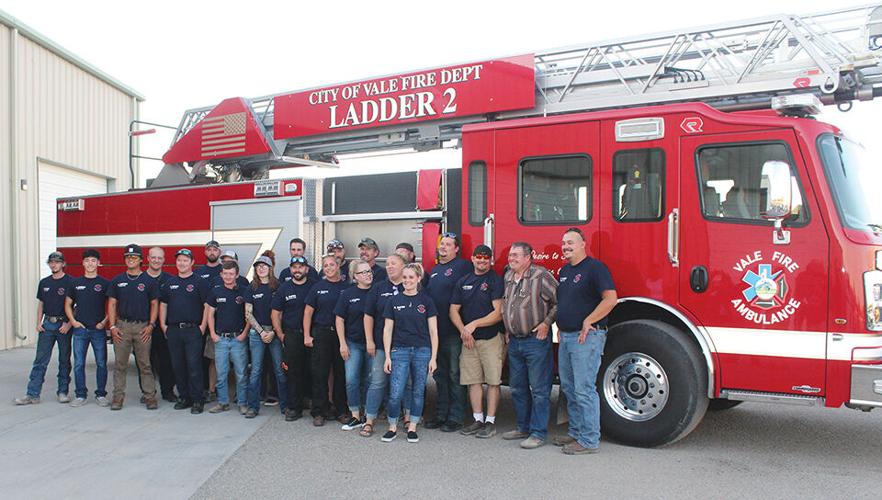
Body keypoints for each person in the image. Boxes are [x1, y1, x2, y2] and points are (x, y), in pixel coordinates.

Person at [555, 228, 617, 455]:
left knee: (584, 389)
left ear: (583, 244)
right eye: (563, 243)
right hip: (567, 337)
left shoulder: (595, 268)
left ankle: (589, 440)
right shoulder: (564, 271)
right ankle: (575, 432)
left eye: (571, 242)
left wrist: (589, 320)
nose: (566, 246)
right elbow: (564, 303)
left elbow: (611, 299)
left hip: (587, 338)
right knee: (569, 388)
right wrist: (560, 327)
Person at [500, 242, 558, 449]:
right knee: (517, 388)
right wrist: (508, 326)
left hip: (536, 341)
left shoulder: (541, 276)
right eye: (510, 254)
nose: (511, 258)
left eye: (516, 255)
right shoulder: (508, 276)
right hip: (515, 342)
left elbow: (559, 302)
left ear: (528, 257)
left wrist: (546, 323)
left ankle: (538, 433)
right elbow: (508, 305)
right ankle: (523, 427)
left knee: (540, 390)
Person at [450, 245, 505, 438]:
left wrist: (474, 324)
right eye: (478, 257)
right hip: (469, 341)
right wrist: (463, 330)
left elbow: (498, 313)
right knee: (473, 381)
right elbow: (453, 310)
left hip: (491, 339)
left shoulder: (495, 280)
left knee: (493, 381)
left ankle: (490, 422)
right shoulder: (463, 281)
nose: (482, 261)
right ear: (472, 258)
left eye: (486, 258)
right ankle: (477, 419)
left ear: (490, 260)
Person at [380, 263, 439, 443]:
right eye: (404, 277)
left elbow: (433, 331)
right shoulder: (393, 301)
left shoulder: (426, 301)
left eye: (411, 277)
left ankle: (412, 426)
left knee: (418, 391)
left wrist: (433, 358)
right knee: (396, 392)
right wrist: (388, 356)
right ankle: (392, 427)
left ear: (418, 279)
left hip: (422, 351)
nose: (407, 281)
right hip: (400, 351)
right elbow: (387, 330)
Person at [423, 232, 473, 432]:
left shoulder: (463, 266)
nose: (443, 247)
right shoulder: (435, 269)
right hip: (436, 333)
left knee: (455, 375)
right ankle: (441, 414)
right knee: (439, 376)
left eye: (448, 244)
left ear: (456, 249)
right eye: (442, 244)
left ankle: (456, 417)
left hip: (454, 333)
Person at [14, 252, 75, 405]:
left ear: (63, 264)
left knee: (64, 360)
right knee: (40, 361)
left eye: (57, 262)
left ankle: (62, 392)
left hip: (63, 325)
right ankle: (32, 394)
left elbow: (76, 305)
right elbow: (41, 304)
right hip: (47, 324)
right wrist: (38, 322)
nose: (54, 265)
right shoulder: (44, 282)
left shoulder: (70, 282)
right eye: (51, 262)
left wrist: (69, 324)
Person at [107, 244, 160, 410]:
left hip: (142, 327)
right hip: (122, 326)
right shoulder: (117, 280)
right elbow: (112, 304)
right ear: (125, 260)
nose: (131, 260)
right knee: (120, 365)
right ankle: (117, 398)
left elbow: (154, 304)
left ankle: (150, 397)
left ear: (141, 260)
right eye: (128, 257)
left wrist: (151, 325)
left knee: (145, 365)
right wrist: (113, 326)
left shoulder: (149, 281)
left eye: (134, 257)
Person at [360, 253, 407, 438]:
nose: (389, 266)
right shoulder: (378, 288)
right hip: (380, 344)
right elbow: (368, 316)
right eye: (387, 264)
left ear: (404, 266)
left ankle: (408, 418)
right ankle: (369, 420)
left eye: (393, 263)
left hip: (405, 345)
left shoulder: (410, 286)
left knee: (406, 383)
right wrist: (369, 340)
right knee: (377, 382)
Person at [159, 248, 208, 414]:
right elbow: (163, 304)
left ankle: (197, 400)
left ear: (192, 262)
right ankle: (184, 397)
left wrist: (202, 326)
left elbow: (207, 306)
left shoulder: (200, 282)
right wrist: (163, 325)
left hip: (193, 330)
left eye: (185, 260)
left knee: (194, 366)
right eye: (179, 260)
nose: (182, 263)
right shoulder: (169, 283)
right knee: (178, 366)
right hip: (173, 330)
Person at [303, 255, 349, 426]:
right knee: (319, 374)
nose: (329, 268)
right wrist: (307, 335)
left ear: (338, 266)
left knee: (340, 373)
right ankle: (319, 411)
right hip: (321, 333)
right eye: (325, 266)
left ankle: (341, 410)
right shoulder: (317, 287)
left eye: (332, 265)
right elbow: (308, 312)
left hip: (341, 336)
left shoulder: (347, 287)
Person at [271, 256, 316, 421]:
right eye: (294, 267)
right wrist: (280, 334)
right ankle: (294, 407)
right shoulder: (284, 288)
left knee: (314, 370)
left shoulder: (314, 286)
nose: (297, 270)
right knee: (293, 372)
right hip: (291, 335)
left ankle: (314, 405)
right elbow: (275, 313)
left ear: (306, 269)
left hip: (313, 335)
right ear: (290, 269)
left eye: (301, 267)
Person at [65, 249, 110, 407]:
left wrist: (104, 322)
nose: (90, 263)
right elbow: (68, 305)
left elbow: (112, 306)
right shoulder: (75, 283)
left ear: (98, 263)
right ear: (83, 263)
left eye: (93, 260)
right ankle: (80, 395)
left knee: (101, 363)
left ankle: (101, 394)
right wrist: (73, 321)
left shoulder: (104, 283)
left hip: (98, 330)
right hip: (80, 330)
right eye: (87, 260)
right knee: (78, 364)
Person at [244, 255, 287, 418]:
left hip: (275, 332)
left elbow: (283, 312)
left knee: (280, 369)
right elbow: (248, 314)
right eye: (258, 266)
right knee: (255, 370)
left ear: (270, 268)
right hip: (257, 334)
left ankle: (285, 406)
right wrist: (262, 332)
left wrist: (274, 331)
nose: (261, 268)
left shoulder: (279, 286)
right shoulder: (251, 288)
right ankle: (253, 406)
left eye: (264, 265)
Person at [334, 259, 373, 430]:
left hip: (373, 344)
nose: (367, 275)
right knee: (351, 379)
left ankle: (367, 414)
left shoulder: (377, 291)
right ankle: (355, 414)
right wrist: (343, 343)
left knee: (370, 379)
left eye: (369, 271)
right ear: (355, 277)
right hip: (353, 342)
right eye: (363, 272)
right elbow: (339, 319)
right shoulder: (348, 294)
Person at [206, 260, 249, 414]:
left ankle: (242, 403)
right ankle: (223, 402)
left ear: (237, 274)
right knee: (221, 373)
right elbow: (210, 314)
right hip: (221, 339)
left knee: (241, 373)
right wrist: (212, 333)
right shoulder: (215, 292)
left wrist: (244, 334)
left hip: (238, 339)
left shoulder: (244, 291)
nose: (228, 276)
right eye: (225, 274)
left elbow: (250, 315)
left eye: (231, 274)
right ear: (221, 274)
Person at [144, 247, 177, 403]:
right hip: (144, 328)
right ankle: (148, 393)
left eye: (159, 258)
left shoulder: (170, 280)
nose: (156, 260)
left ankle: (168, 391)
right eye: (153, 257)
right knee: (145, 362)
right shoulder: (140, 279)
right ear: (148, 259)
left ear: (164, 260)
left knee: (167, 361)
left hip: (164, 328)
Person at [196, 240, 222, 402]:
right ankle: (204, 389)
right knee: (201, 358)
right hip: (201, 321)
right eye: (209, 249)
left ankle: (217, 389)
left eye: (215, 249)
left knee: (216, 359)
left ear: (219, 252)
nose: (212, 252)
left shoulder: (224, 270)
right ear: (205, 252)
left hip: (220, 322)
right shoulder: (199, 272)